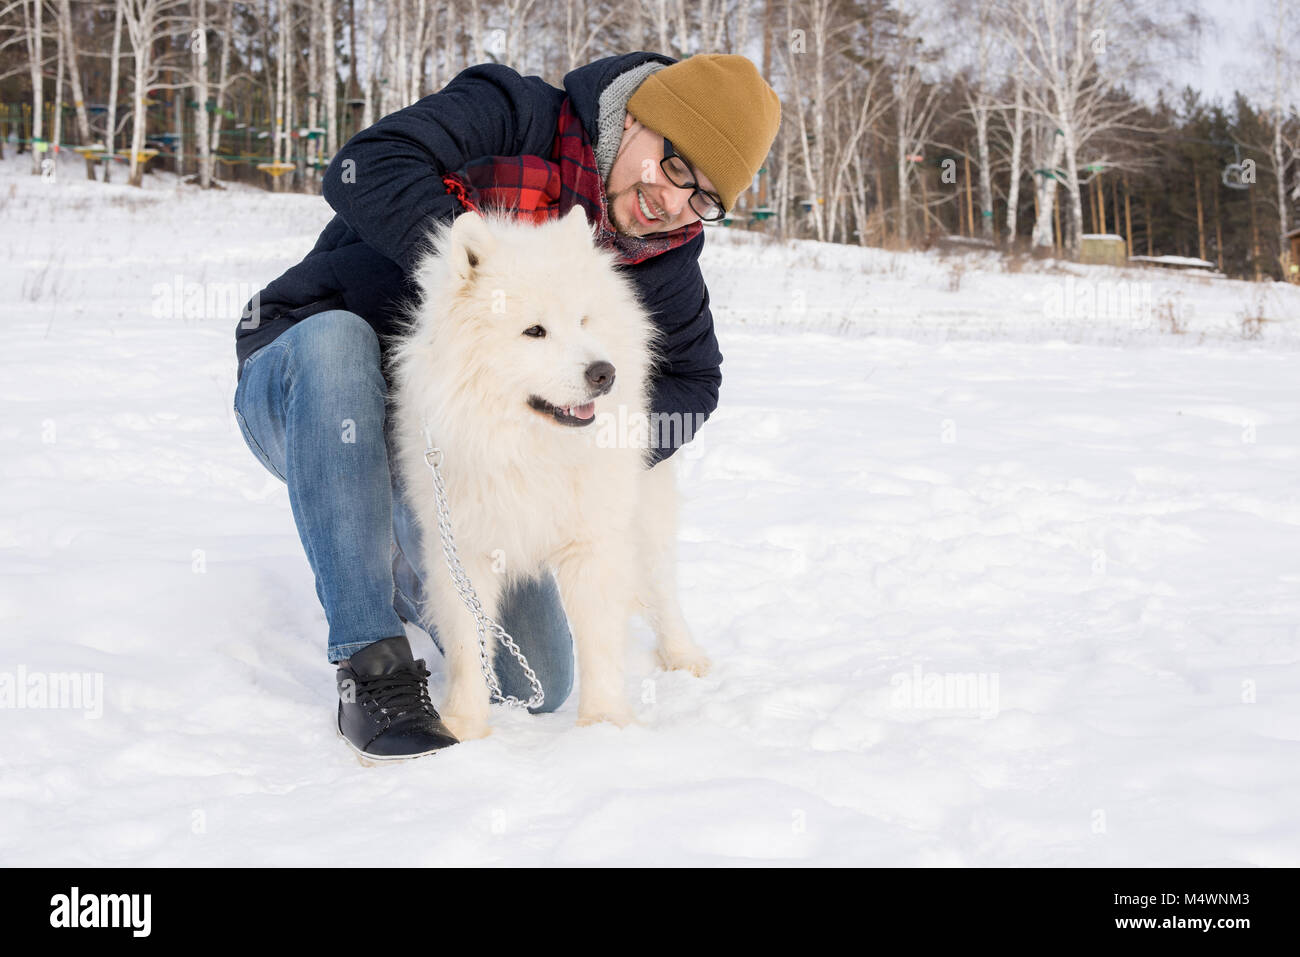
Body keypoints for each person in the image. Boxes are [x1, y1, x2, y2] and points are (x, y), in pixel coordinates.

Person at [231, 51, 781, 761]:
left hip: (458, 459)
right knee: (339, 343)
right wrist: (483, 266)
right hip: (310, 386)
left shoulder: (664, 254)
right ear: (639, 117)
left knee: (540, 683)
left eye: (704, 196)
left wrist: (584, 442)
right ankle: (371, 660)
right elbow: (362, 167)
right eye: (677, 168)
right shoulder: (515, 114)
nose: (674, 203)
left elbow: (694, 383)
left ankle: (396, 554)